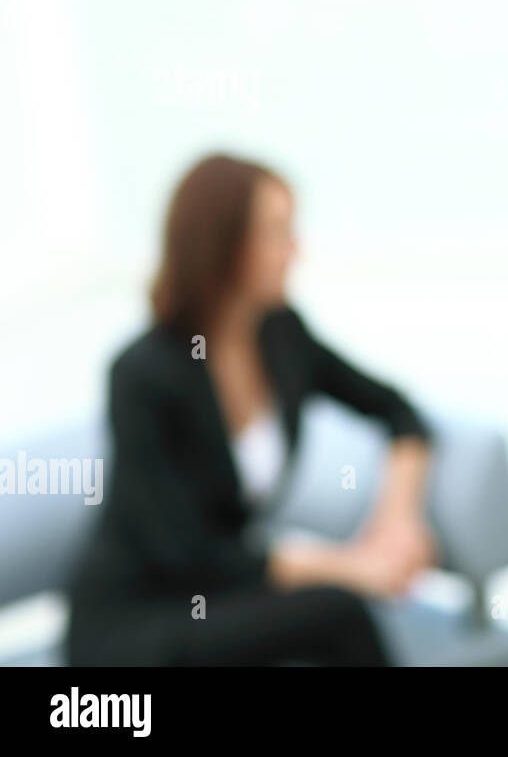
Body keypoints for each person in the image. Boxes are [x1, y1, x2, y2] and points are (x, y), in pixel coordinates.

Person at [65, 154, 440, 666]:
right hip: (139, 618)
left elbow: (397, 410)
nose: (295, 250)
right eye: (278, 233)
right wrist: (350, 566)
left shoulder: (280, 335)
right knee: (339, 611)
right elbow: (188, 554)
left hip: (225, 598)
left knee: (333, 617)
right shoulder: (143, 375)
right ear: (222, 244)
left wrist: (397, 519)